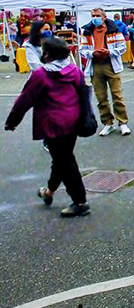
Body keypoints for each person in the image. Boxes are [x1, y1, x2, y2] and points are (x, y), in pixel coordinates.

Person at [4, 37, 91, 217]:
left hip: (53, 125)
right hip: (74, 122)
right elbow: (83, 95)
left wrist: (12, 122)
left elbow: (25, 100)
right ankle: (49, 192)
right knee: (61, 159)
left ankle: (80, 202)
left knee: (66, 163)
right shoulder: (74, 71)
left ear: (47, 54)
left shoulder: (41, 75)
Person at [80, 8, 131, 136]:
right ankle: (108, 123)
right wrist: (92, 53)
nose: (95, 18)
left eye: (97, 15)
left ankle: (123, 122)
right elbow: (82, 49)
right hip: (95, 65)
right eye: (93, 15)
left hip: (111, 64)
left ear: (104, 17)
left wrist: (109, 52)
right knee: (101, 97)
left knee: (117, 95)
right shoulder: (87, 31)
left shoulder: (113, 30)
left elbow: (122, 46)